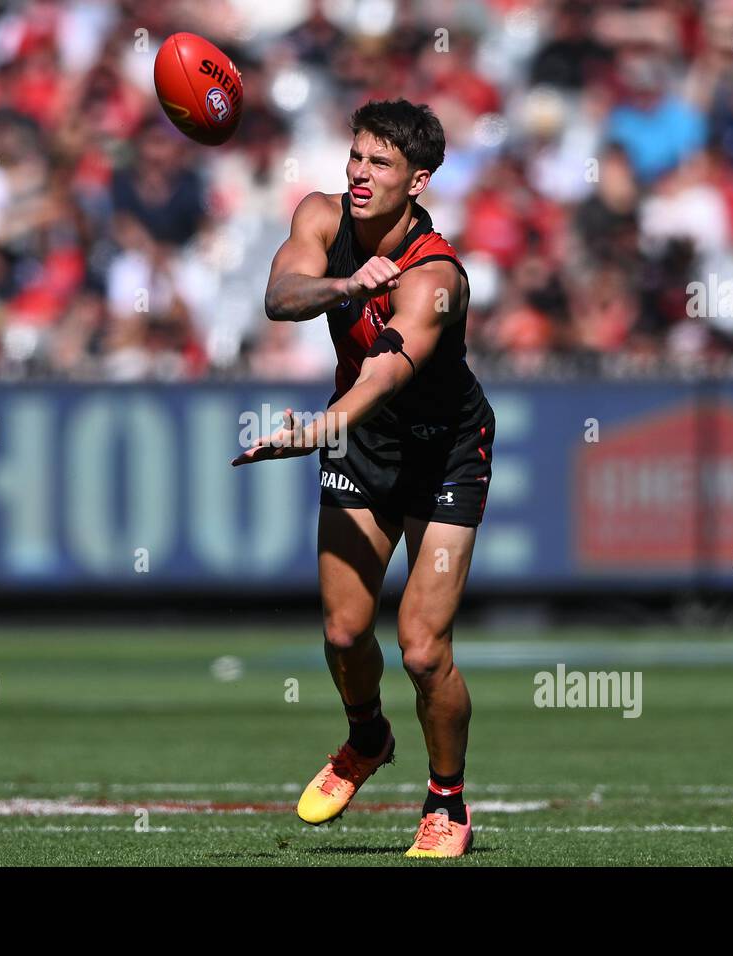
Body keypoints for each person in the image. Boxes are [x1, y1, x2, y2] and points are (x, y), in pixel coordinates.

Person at [231, 99, 495, 858]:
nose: (358, 173)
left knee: (421, 647)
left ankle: (448, 800)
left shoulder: (439, 273)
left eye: (379, 164)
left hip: (444, 451)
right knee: (345, 632)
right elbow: (281, 299)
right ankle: (367, 737)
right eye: (356, 156)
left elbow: (381, 377)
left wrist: (312, 434)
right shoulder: (320, 216)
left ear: (418, 181)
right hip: (363, 446)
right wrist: (347, 286)